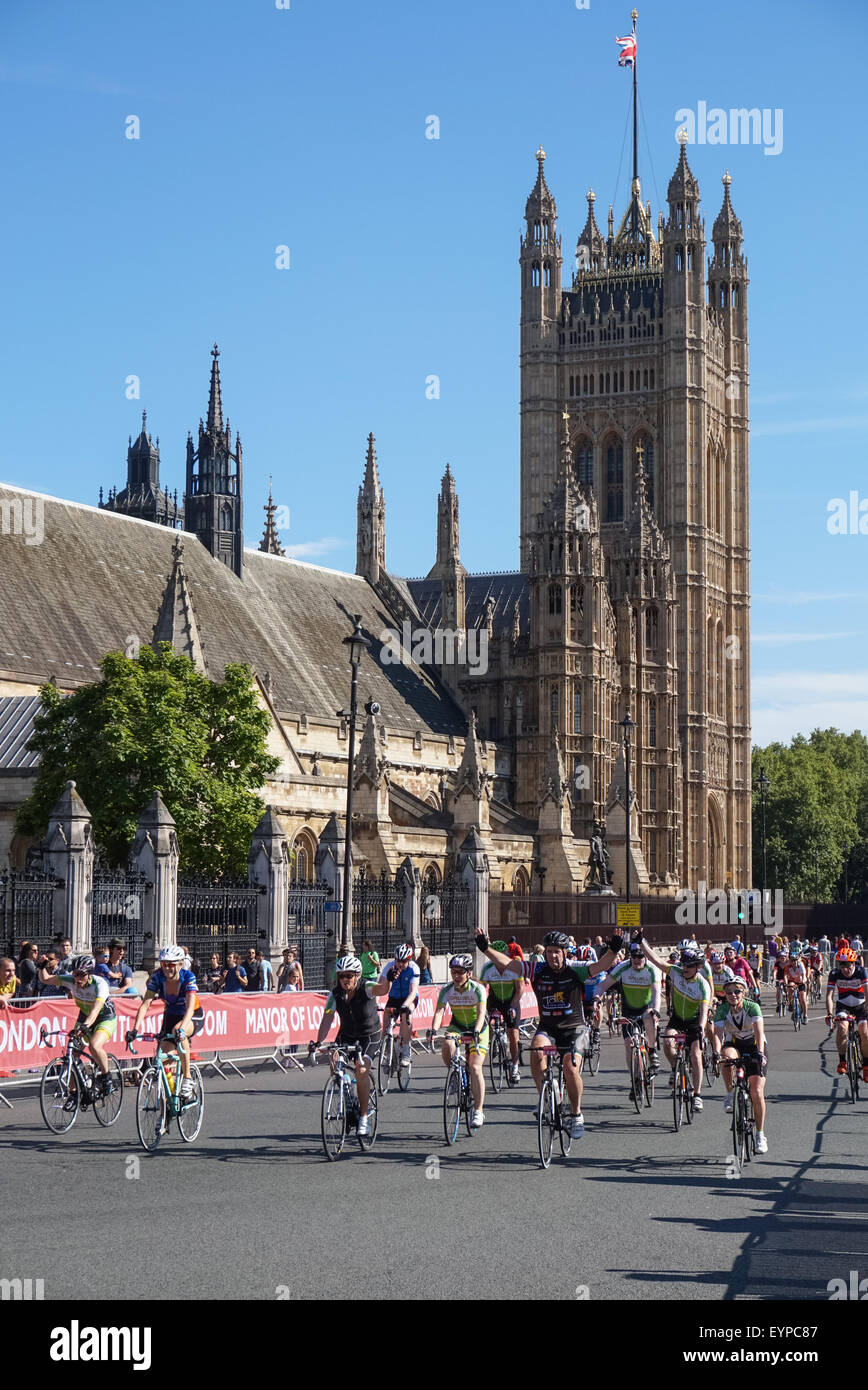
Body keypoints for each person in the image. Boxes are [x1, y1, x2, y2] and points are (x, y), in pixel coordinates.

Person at [476, 929, 624, 1139]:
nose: (553, 955)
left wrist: (614, 949)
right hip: (549, 1028)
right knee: (536, 1049)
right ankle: (546, 1094)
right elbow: (510, 964)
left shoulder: (576, 970)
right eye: (549, 951)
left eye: (557, 952)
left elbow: (600, 966)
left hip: (574, 1028)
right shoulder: (537, 969)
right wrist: (485, 948)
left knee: (570, 1068)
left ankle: (576, 1114)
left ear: (565, 953)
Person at [310, 954, 391, 1137]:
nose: (345, 979)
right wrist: (318, 1042)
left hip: (369, 1036)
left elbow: (382, 989)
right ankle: (346, 1089)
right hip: (347, 1034)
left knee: (361, 1070)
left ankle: (363, 1117)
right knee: (334, 1059)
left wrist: (389, 976)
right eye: (341, 976)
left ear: (357, 975)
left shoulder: (367, 987)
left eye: (349, 975)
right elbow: (328, 1017)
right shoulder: (335, 993)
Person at [640, 940, 712, 1112]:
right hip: (678, 1019)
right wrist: (642, 945)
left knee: (695, 1055)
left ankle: (697, 1095)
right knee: (667, 1043)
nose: (685, 968)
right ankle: (675, 1068)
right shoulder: (676, 972)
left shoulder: (703, 986)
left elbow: (703, 1012)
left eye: (689, 966)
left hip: (694, 1022)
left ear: (698, 967)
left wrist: (701, 1029)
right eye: (684, 964)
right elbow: (657, 960)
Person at [127, 945, 204, 1100]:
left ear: (180, 964)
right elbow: (145, 1004)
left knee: (178, 1032)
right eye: (164, 964)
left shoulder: (188, 977)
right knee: (162, 1057)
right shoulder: (158, 978)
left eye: (171, 965)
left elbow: (189, 1008)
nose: (167, 968)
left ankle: (188, 1078)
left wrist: (182, 1029)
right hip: (171, 1015)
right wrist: (134, 1029)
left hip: (192, 1015)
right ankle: (171, 1097)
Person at [429, 954, 489, 1128]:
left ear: (468, 973)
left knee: (475, 1067)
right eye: (453, 972)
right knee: (447, 1044)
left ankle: (478, 1110)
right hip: (458, 1025)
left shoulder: (478, 989)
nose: (456, 975)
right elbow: (439, 1011)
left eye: (460, 972)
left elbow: (481, 1014)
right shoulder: (447, 990)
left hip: (478, 1028)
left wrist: (476, 1032)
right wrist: (433, 1028)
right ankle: (455, 1074)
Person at [714, 977, 769, 1154]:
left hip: (754, 1046)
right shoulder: (722, 1009)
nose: (733, 995)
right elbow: (718, 1034)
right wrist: (715, 1052)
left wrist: (760, 1054)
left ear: (744, 992)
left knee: (756, 1092)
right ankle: (730, 1092)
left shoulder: (752, 1007)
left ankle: (760, 1135)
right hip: (735, 1045)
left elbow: (759, 1032)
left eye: (737, 991)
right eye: (729, 992)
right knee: (726, 1057)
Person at [54, 955, 118, 1094]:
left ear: (89, 974)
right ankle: (74, 1093)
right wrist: (43, 966)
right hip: (84, 1017)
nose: (77, 978)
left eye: (81, 975)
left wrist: (85, 1026)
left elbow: (95, 1010)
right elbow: (45, 979)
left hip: (104, 1017)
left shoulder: (100, 983)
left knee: (94, 1045)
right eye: (75, 974)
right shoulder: (71, 981)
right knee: (72, 1053)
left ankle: (106, 1077)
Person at [604, 942, 662, 1096]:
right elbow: (604, 984)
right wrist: (596, 997)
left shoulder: (652, 969)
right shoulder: (623, 967)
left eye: (640, 956)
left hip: (646, 1009)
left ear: (646, 956)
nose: (637, 959)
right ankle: (634, 1080)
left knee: (650, 1016)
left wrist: (656, 1010)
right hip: (628, 1012)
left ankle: (651, 1050)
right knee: (629, 1045)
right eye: (634, 956)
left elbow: (656, 993)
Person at [479, 939, 522, 1083]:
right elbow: (482, 989)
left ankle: (515, 1067)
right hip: (495, 1000)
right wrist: (482, 1007)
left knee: (513, 1035)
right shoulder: (487, 968)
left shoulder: (515, 967)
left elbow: (520, 990)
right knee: (485, 1020)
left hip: (511, 1000)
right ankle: (495, 1039)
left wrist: (512, 1006)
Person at [825, 947, 868, 1082]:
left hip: (861, 1005)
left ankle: (866, 1066)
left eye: (848, 965)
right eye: (841, 965)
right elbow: (829, 995)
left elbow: (867, 992)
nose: (845, 969)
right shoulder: (834, 973)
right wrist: (829, 1013)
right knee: (842, 1028)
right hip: (844, 1005)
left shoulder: (861, 972)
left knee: (864, 1032)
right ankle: (843, 1061)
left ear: (853, 963)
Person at [379, 944, 420, 1065]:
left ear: (409, 959)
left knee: (406, 1015)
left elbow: (413, 992)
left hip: (409, 998)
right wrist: (374, 1002)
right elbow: (379, 986)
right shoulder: (389, 967)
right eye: (398, 960)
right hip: (394, 997)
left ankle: (406, 1049)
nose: (400, 964)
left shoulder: (414, 968)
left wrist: (406, 1005)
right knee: (386, 1020)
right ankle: (388, 1048)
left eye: (403, 961)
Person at [784, 944, 808, 1022]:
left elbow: (804, 975)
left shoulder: (800, 965)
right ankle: (791, 1003)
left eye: (795, 960)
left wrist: (804, 980)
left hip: (801, 982)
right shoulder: (788, 967)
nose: (793, 962)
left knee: (803, 999)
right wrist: (785, 983)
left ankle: (805, 1015)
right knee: (790, 987)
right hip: (793, 981)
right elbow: (785, 975)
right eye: (792, 960)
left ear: (798, 960)